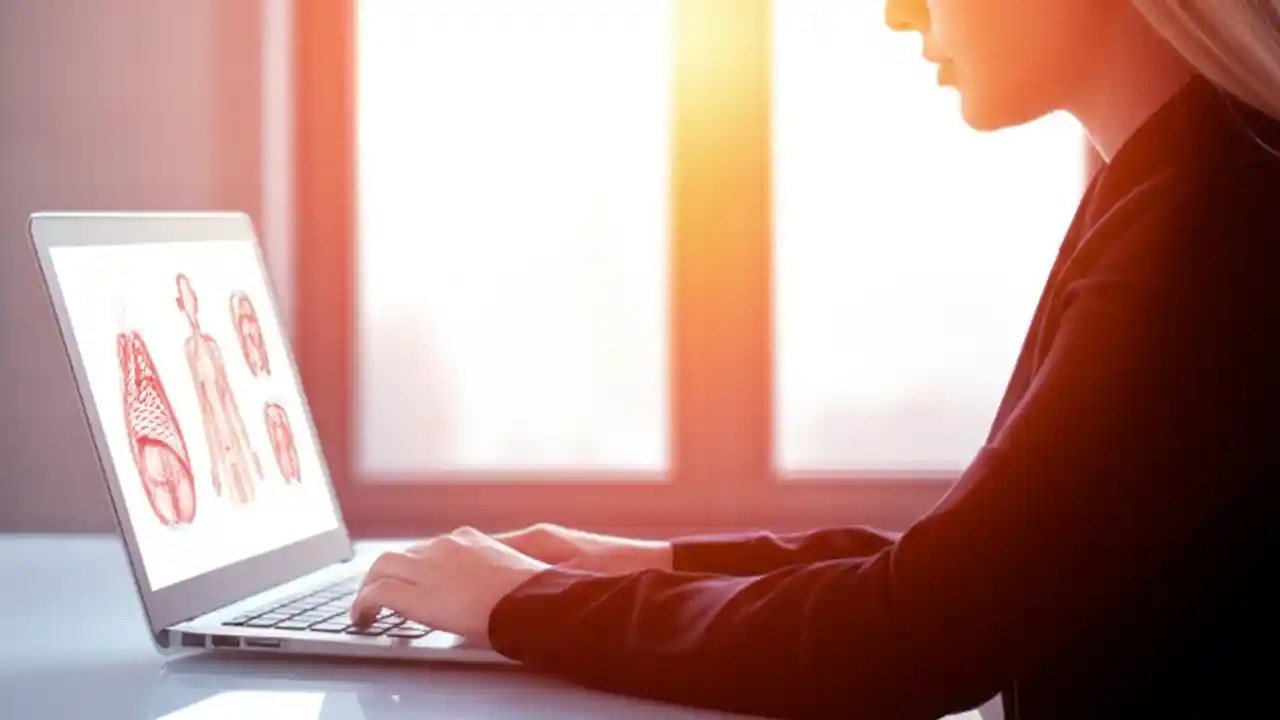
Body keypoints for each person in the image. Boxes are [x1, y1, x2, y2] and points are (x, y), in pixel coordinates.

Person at [349, 1, 1280, 717]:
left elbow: (922, 634)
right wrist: (638, 561)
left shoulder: (1211, 223)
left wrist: (528, 606)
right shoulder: (1178, 182)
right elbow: (981, 568)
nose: (899, 10)